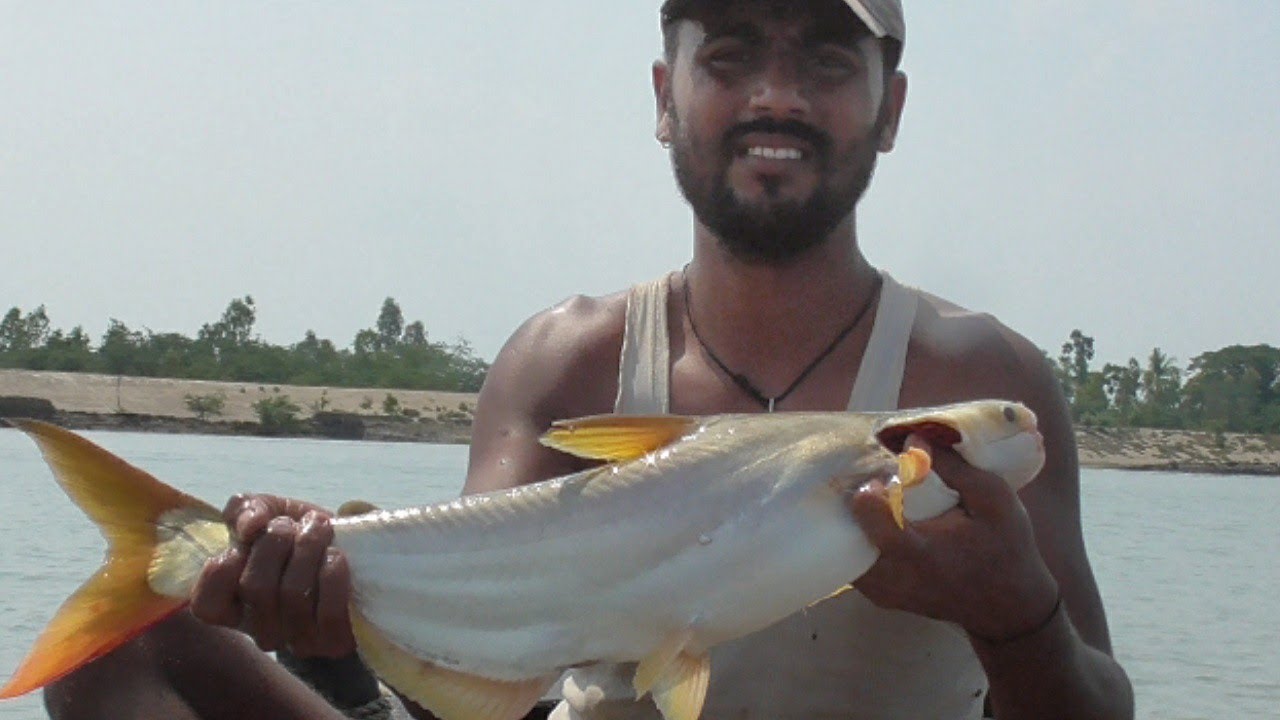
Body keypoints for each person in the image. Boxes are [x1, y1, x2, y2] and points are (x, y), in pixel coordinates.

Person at [43, 1, 1134, 718]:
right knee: (114, 655)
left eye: (825, 58)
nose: (774, 97)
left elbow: (1094, 704)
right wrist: (324, 618)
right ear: (664, 97)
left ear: (887, 108)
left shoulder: (979, 388)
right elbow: (480, 690)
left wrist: (1015, 614)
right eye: (731, 52)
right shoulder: (566, 361)